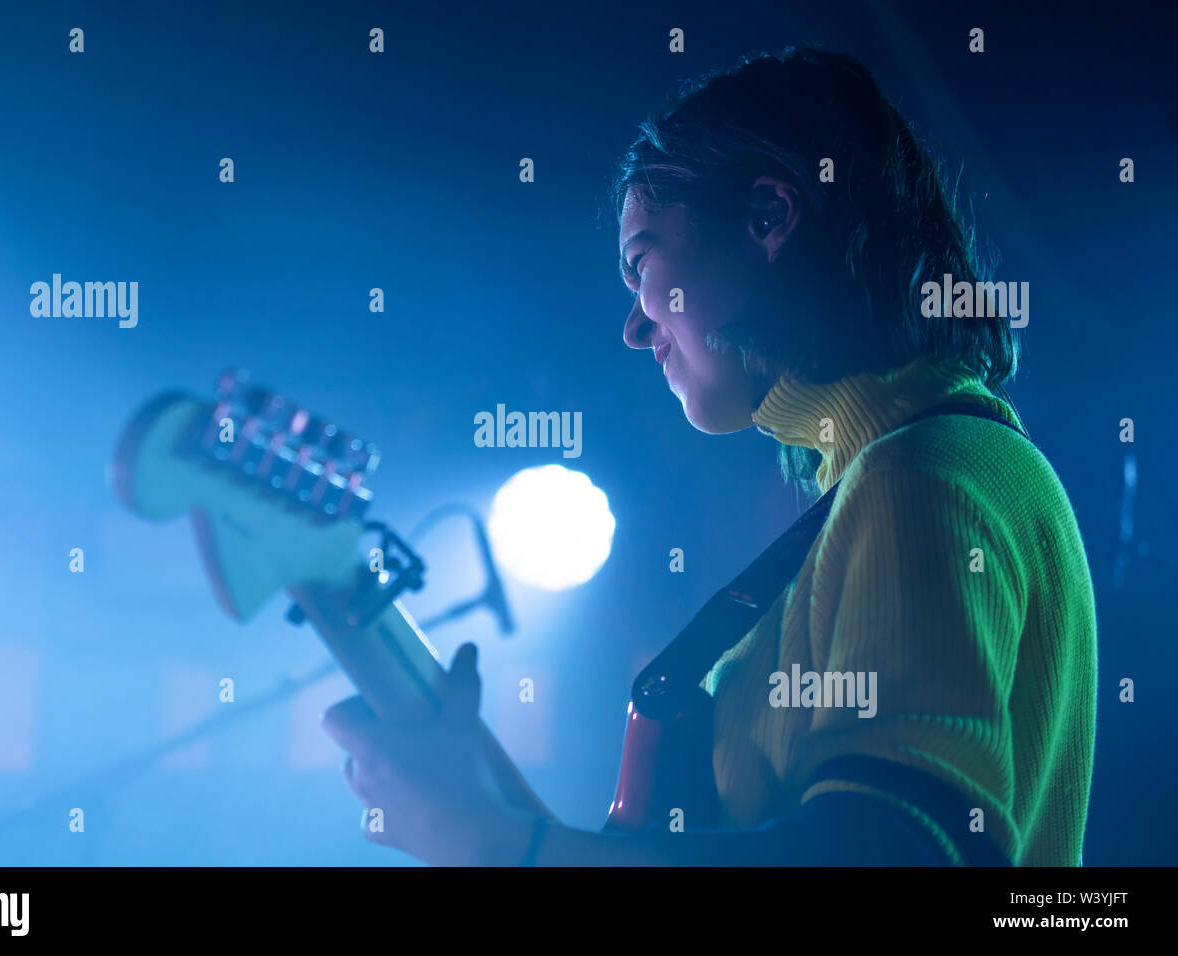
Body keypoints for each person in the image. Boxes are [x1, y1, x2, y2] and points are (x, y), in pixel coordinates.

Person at [321, 46, 1097, 866]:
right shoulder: (926, 468)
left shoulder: (924, 474)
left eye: (643, 261)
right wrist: (494, 823)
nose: (633, 326)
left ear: (767, 217)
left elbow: (893, 851)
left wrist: (496, 841)